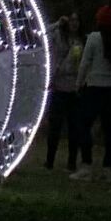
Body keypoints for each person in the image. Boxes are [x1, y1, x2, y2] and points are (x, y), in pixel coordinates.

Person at [73, 6, 111, 176]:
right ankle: (107, 166)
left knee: (84, 125)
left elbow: (85, 63)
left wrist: (78, 83)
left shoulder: (93, 39)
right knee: (109, 128)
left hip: (94, 89)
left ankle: (86, 164)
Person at [43, 14, 81, 170]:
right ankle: (49, 160)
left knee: (74, 127)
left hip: (74, 88)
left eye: (77, 20)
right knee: (55, 127)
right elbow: (43, 33)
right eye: (71, 20)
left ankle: (71, 162)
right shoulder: (58, 36)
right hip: (59, 86)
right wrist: (57, 24)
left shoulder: (81, 40)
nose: (74, 23)